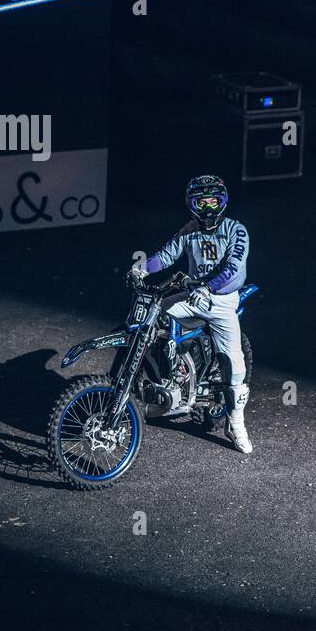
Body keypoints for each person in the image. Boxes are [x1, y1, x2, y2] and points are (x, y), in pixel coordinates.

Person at [130, 175, 253, 454]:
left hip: (221, 301)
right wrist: (142, 268)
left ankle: (236, 423)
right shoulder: (188, 231)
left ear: (222, 202)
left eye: (213, 201)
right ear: (192, 204)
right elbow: (166, 255)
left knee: (235, 365)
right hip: (193, 296)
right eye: (202, 202)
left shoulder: (237, 230)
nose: (208, 208)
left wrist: (210, 287)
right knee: (154, 312)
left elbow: (235, 269)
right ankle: (167, 374)